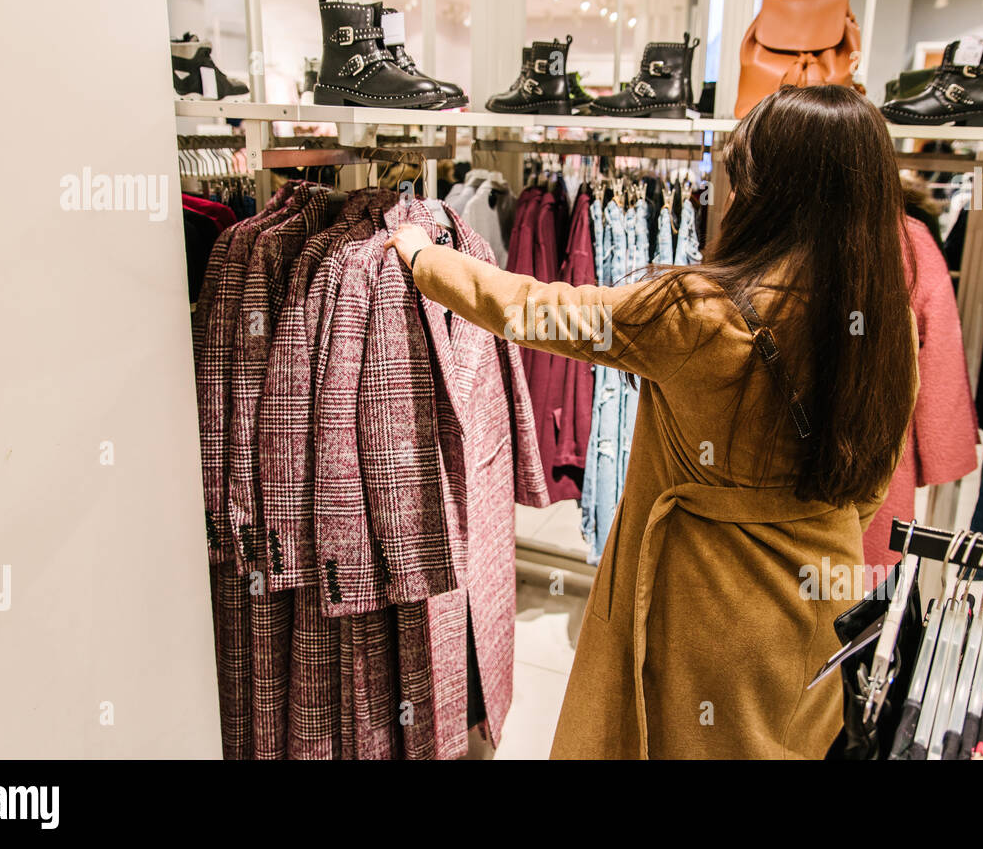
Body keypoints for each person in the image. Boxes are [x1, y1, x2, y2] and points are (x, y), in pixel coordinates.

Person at [385, 84, 919, 759]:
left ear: (768, 189)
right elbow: (875, 475)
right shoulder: (888, 322)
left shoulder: (702, 312)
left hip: (706, 600)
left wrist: (426, 259)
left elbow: (540, 308)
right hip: (821, 599)